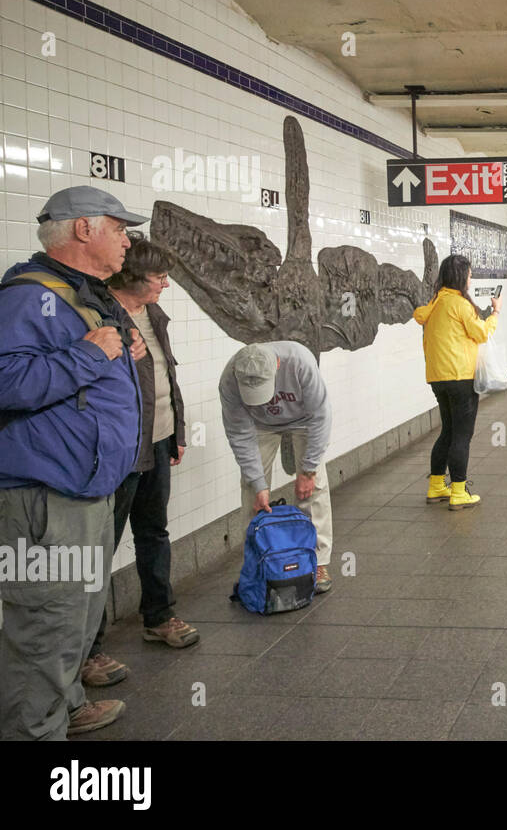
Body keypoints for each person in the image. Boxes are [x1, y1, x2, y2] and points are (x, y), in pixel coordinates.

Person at [0, 185, 148, 739]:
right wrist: (91, 354)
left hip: (84, 490)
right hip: (44, 497)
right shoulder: (27, 296)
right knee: (46, 629)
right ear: (83, 230)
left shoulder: (80, 294)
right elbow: (6, 380)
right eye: (119, 228)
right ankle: (34, 730)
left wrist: (115, 352)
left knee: (77, 622)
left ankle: (65, 707)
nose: (128, 241)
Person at [82, 233, 198, 691]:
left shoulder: (153, 314)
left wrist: (177, 432)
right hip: (118, 452)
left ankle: (159, 617)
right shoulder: (98, 314)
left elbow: (168, 374)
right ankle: (88, 649)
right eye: (159, 276)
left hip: (157, 441)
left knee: (154, 532)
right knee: (99, 548)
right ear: (131, 277)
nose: (166, 284)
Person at [219, 342, 334, 592]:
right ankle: (257, 563)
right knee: (252, 492)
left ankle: (318, 561)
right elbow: (239, 433)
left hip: (304, 420)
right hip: (260, 425)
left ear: (277, 365)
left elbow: (321, 416)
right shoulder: (230, 378)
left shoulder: (300, 361)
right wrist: (259, 484)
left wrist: (308, 470)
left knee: (313, 490)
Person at [413, 255, 500, 508]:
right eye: (470, 275)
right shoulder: (460, 304)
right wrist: (495, 312)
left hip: (438, 378)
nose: (470, 280)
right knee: (462, 435)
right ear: (461, 277)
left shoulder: (436, 302)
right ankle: (459, 492)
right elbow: (482, 333)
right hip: (460, 376)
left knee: (448, 432)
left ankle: (437, 485)